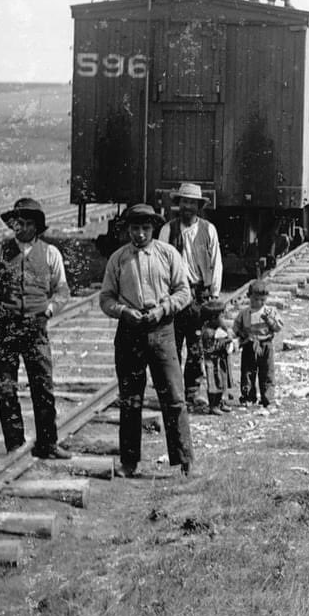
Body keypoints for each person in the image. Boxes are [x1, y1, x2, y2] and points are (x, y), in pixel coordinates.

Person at [0, 196, 73, 460]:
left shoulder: (51, 254)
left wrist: (48, 311)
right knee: (6, 389)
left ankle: (48, 444)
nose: (22, 228)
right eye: (18, 223)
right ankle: (14, 445)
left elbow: (62, 291)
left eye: (28, 224)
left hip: (35, 329)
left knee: (43, 387)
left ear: (37, 227)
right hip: (4, 329)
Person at [99, 204, 195, 477]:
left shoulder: (168, 254)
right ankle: (129, 462)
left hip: (162, 331)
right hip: (129, 332)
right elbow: (105, 298)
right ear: (127, 229)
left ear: (153, 229)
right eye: (135, 228)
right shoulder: (118, 259)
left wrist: (163, 310)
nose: (140, 234)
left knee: (174, 397)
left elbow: (183, 292)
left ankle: (184, 459)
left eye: (145, 229)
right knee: (130, 399)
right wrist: (124, 312)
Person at [166, 183, 224, 409]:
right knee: (172, 346)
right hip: (174, 295)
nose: (187, 206)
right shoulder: (168, 230)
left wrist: (214, 294)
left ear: (198, 206)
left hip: (199, 295)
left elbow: (215, 262)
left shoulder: (208, 229)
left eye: (192, 203)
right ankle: (174, 392)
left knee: (196, 347)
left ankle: (192, 391)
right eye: (184, 202)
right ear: (178, 204)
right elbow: (161, 263)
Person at [234, 279, 283, 408]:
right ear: (249, 297)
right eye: (255, 299)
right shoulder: (245, 313)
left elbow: (278, 327)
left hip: (265, 344)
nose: (259, 303)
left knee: (267, 372)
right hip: (250, 344)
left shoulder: (269, 312)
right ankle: (248, 397)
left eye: (262, 300)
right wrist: (240, 335)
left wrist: (269, 320)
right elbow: (236, 327)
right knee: (248, 372)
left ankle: (268, 397)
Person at [199, 311, 235, 413]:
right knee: (214, 383)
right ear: (214, 318)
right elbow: (211, 348)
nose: (223, 319)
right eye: (221, 317)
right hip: (212, 362)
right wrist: (226, 341)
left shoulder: (218, 329)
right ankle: (213, 406)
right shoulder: (208, 332)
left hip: (220, 361)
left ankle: (220, 402)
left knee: (222, 382)